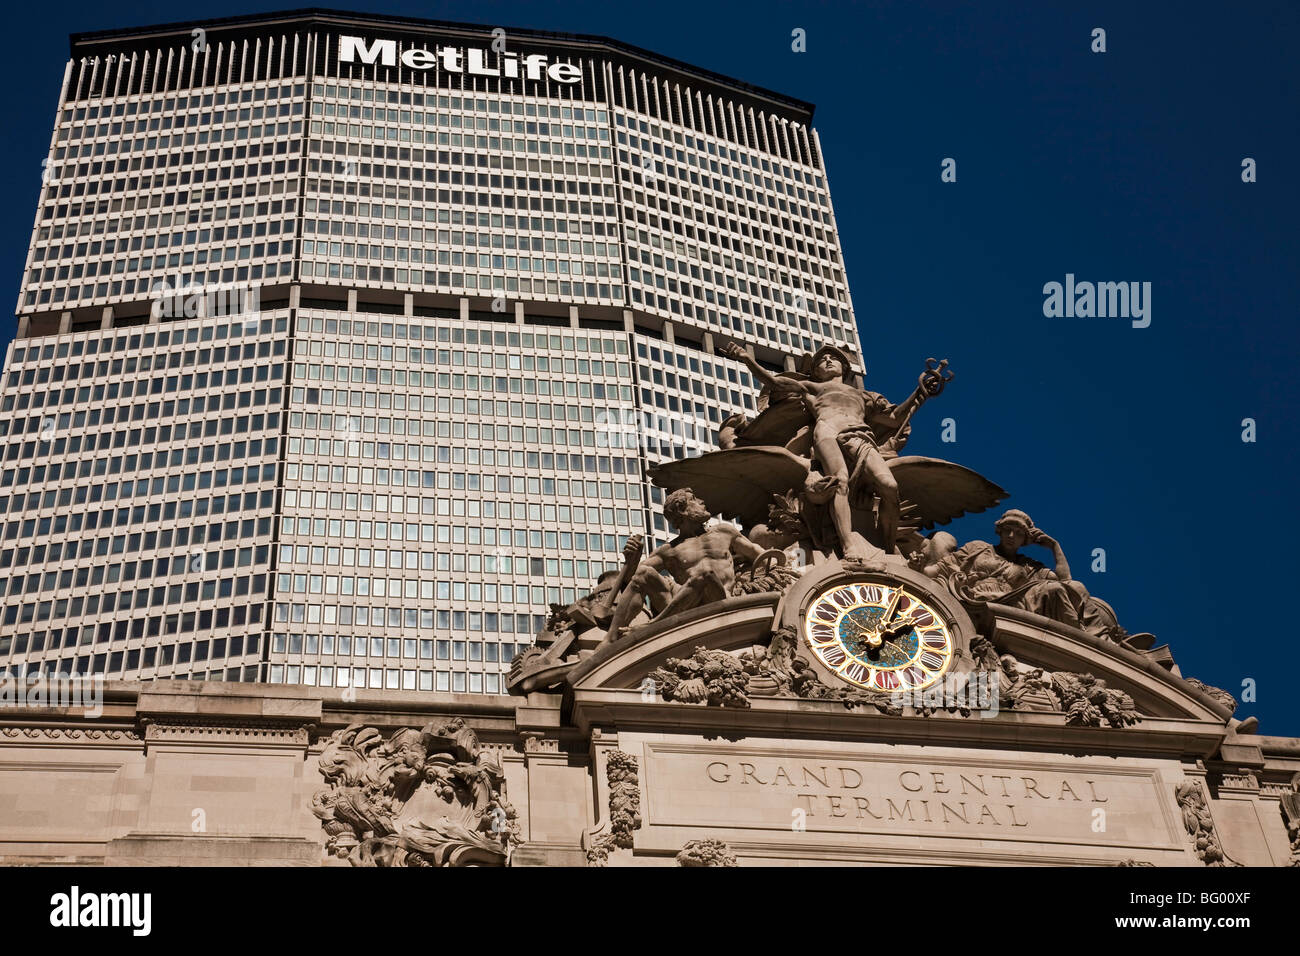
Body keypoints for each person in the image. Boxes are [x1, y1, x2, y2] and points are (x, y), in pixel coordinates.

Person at [722, 342, 928, 559]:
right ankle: (849, 544)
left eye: (834, 358)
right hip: (828, 432)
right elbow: (774, 381)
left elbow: (895, 419)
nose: (828, 360)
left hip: (861, 435)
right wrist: (746, 358)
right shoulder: (813, 388)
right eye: (822, 360)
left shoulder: (866, 396)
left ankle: (886, 545)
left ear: (845, 368)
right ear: (815, 372)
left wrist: (919, 392)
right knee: (840, 481)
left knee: (889, 485)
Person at [601, 488, 765, 645]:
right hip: (685, 609)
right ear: (682, 509)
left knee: (705, 575)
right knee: (644, 572)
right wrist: (633, 559)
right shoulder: (669, 550)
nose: (702, 501)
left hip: (718, 599)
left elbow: (757, 552)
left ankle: (651, 627)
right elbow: (633, 578)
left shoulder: (724, 531)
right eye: (694, 499)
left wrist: (780, 561)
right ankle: (610, 640)